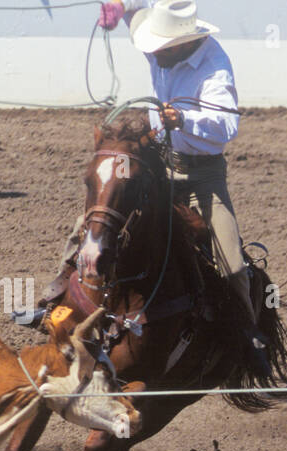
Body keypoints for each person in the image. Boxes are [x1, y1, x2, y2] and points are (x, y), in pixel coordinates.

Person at [19, 0, 258, 336]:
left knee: (231, 264)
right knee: (95, 219)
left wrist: (185, 119)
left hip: (202, 178)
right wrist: (119, 5)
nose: (152, 54)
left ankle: (247, 339)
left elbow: (226, 126)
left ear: (182, 44)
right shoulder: (164, 43)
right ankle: (57, 302)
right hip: (158, 164)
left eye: (159, 49)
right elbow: (137, 9)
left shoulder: (215, 66)